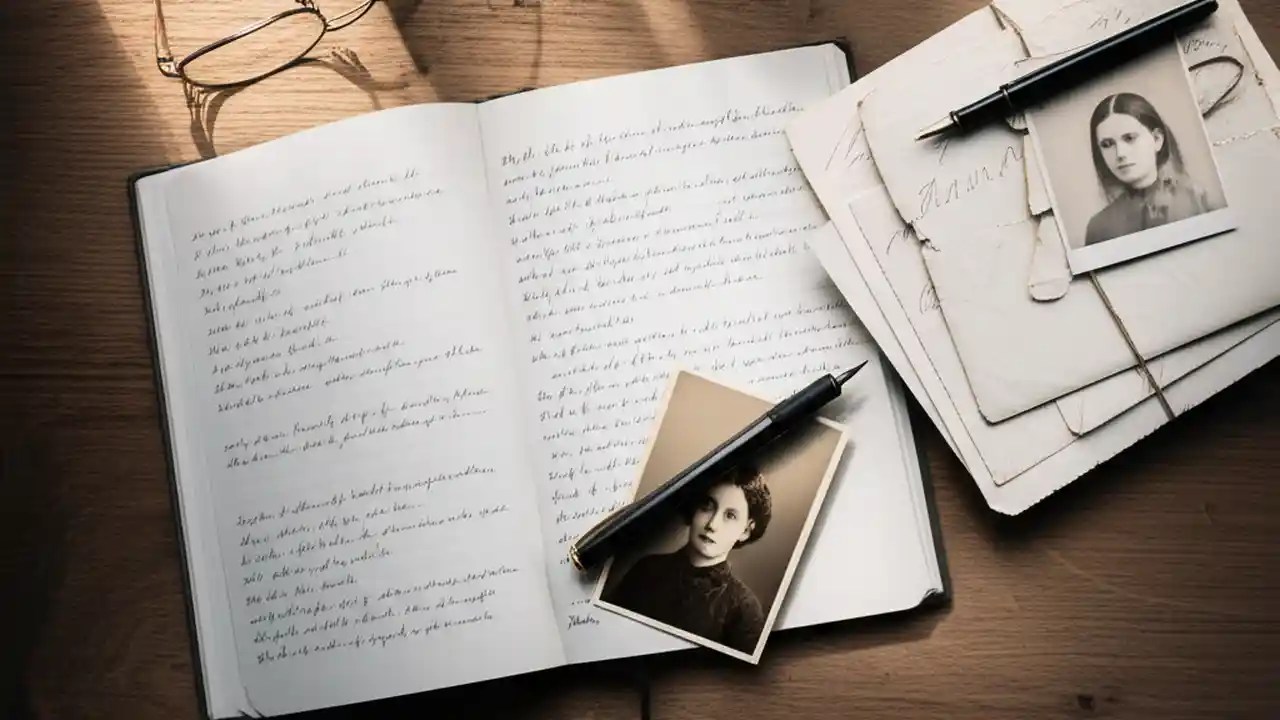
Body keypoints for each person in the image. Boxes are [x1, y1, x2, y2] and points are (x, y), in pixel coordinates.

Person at [601, 465, 772, 655]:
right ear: (694, 507)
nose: (712, 525)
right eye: (707, 506)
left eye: (730, 516)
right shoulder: (647, 569)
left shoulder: (743, 608)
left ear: (746, 530)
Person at [1083, 92, 1219, 246]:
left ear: (1157, 140)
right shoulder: (1099, 228)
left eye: (1129, 138)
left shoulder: (1200, 199)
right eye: (1107, 145)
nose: (1120, 154)